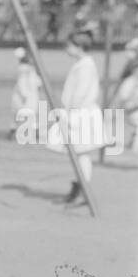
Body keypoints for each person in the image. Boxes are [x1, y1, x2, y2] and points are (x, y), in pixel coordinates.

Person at [47, 28, 105, 205]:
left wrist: (70, 112)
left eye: (69, 46)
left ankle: (82, 189)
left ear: (78, 47)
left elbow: (80, 93)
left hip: (81, 113)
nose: (67, 49)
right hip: (80, 111)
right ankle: (80, 187)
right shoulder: (83, 64)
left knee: (80, 152)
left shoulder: (85, 66)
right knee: (79, 153)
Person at [11, 47, 40, 141]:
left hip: (27, 95)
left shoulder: (28, 69)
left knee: (24, 114)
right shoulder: (25, 69)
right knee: (26, 114)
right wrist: (24, 94)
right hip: (25, 96)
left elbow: (36, 82)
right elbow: (22, 83)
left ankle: (15, 131)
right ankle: (15, 131)